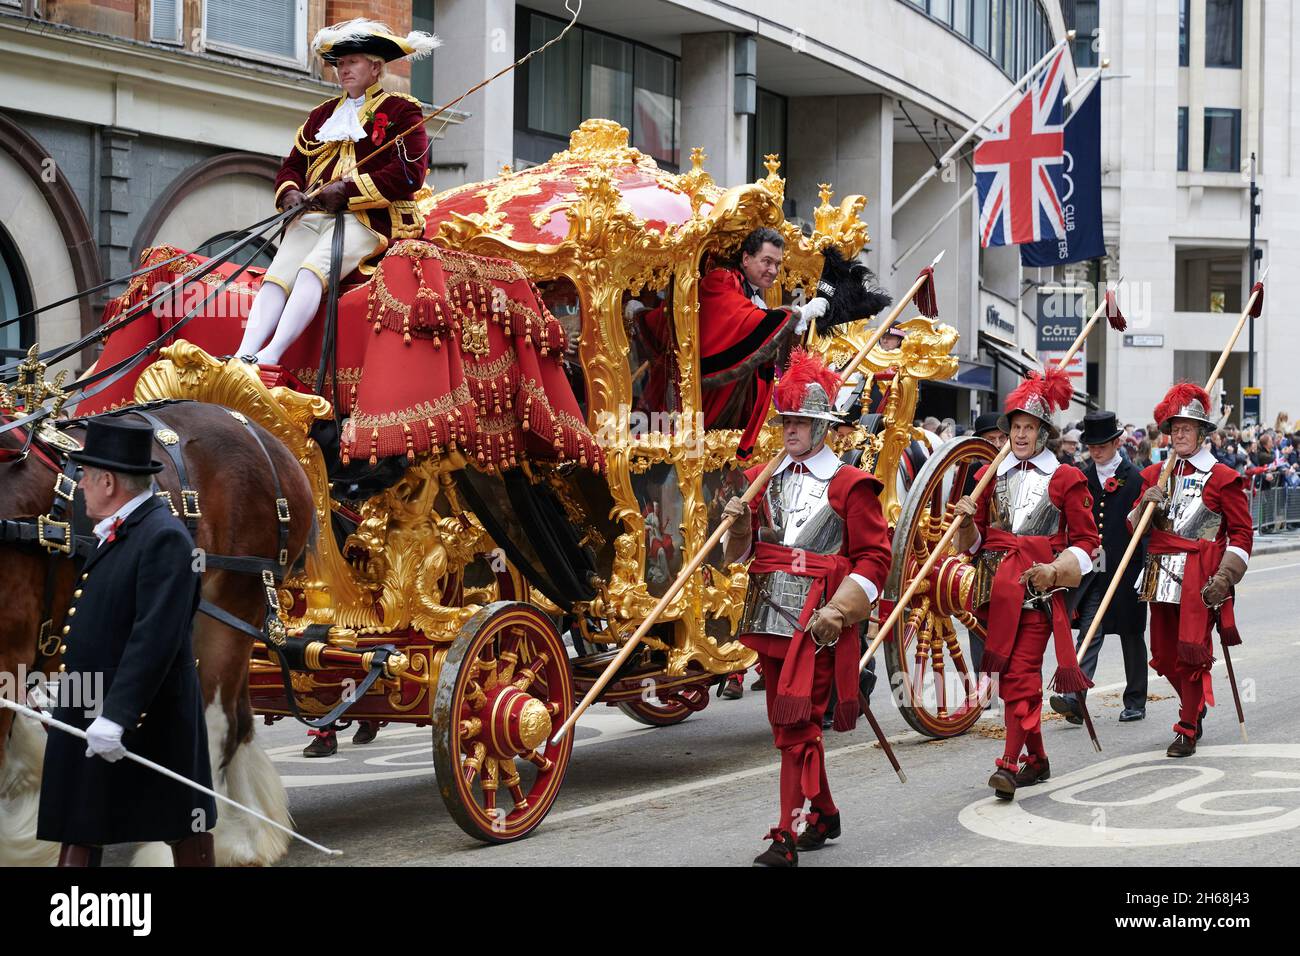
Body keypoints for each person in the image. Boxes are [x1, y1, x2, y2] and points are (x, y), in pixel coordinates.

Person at [721, 350, 890, 865]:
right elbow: (741, 556)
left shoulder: (850, 485)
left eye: (799, 421)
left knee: (797, 728)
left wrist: (839, 611)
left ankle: (786, 835)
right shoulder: (762, 477)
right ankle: (824, 811)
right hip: (768, 615)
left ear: (822, 426)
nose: (789, 429)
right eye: (785, 420)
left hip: (819, 623)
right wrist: (740, 524)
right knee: (788, 724)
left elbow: (875, 559)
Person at [37, 418, 216, 866]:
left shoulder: (165, 539)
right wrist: (67, 692)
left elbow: (155, 636)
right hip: (98, 704)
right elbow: (98, 624)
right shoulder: (125, 531)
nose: (78, 487)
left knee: (182, 826)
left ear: (109, 481)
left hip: (148, 714)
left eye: (83, 476)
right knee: (81, 822)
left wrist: (117, 717)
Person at [235, 19, 437, 366]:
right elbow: (292, 165)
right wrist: (290, 194)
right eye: (340, 64)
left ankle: (271, 355)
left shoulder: (403, 111)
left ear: (375, 67)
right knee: (279, 270)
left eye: (352, 62)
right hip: (315, 214)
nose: (343, 70)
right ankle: (245, 351)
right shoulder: (321, 116)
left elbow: (409, 175)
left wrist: (347, 191)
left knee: (313, 268)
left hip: (372, 219)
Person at [947, 368, 1099, 800]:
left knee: (1019, 677)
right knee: (1013, 676)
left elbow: (1088, 542)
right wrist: (963, 521)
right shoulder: (988, 478)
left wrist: (1057, 569)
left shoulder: (1065, 477)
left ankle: (1009, 764)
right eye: (1016, 427)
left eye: (1029, 427)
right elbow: (974, 544)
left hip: (1037, 593)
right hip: (995, 591)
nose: (1021, 434)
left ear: (1043, 433)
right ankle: (1038, 759)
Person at [627, 228, 827, 460]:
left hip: (730, 410)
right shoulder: (721, 279)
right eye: (767, 261)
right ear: (746, 258)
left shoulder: (749, 290)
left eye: (778, 264)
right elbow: (743, 320)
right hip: (697, 403)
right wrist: (798, 314)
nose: (773, 271)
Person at [1129, 383, 1252, 757]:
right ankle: (1195, 704)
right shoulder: (1154, 475)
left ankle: (1186, 726)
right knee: (1165, 655)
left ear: (1201, 433)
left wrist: (1226, 577)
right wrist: (1143, 508)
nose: (1179, 434)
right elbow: (1134, 528)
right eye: (1174, 428)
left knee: (1192, 653)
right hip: (1160, 573)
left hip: (1203, 577)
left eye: (1187, 428)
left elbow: (1243, 534)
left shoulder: (1221, 477)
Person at [1050, 410, 1149, 724]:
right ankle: (1075, 697)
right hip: (1092, 567)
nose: (1096, 450)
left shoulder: (1135, 478)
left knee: (1131, 634)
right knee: (1091, 631)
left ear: (1117, 442)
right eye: (1091, 444)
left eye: (1102, 444)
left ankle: (1136, 699)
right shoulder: (1082, 476)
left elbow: (1146, 528)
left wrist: (1145, 568)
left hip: (1126, 568)